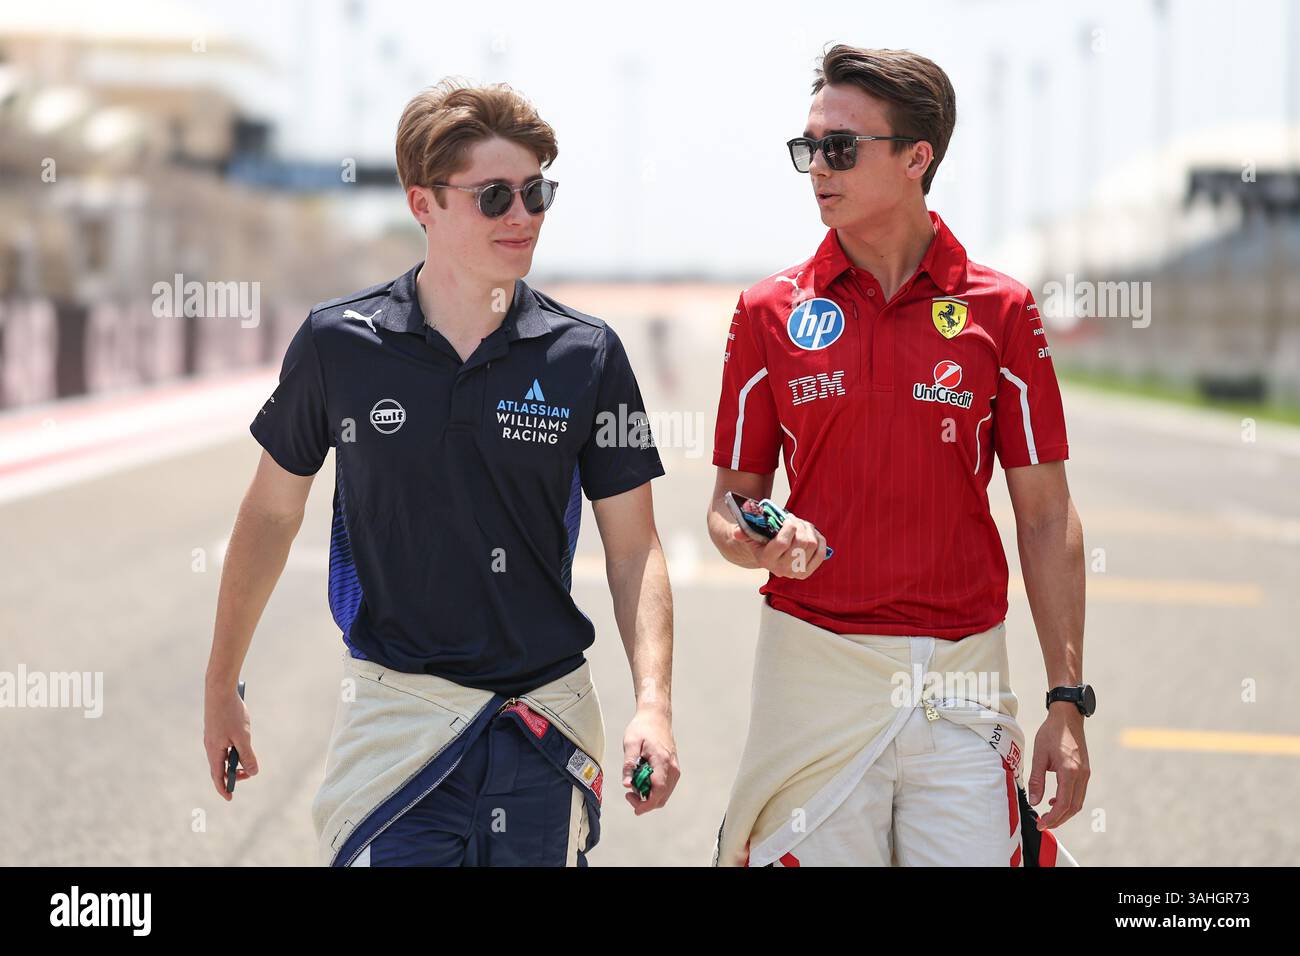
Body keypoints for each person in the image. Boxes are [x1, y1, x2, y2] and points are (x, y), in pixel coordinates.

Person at [204, 79, 678, 866]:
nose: (522, 214)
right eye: (495, 196)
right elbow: (270, 515)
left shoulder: (587, 356)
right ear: (423, 203)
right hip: (397, 720)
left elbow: (634, 549)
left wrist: (654, 706)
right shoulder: (338, 344)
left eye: (536, 192)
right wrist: (222, 684)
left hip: (542, 723)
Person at [707, 45, 1089, 867]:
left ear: (917, 157)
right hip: (812, 669)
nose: (817, 167)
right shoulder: (768, 310)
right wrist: (757, 537)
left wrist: (1067, 698)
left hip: (965, 679)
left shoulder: (1003, 310)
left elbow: (1047, 514)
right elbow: (730, 501)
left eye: (840, 148)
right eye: (808, 148)